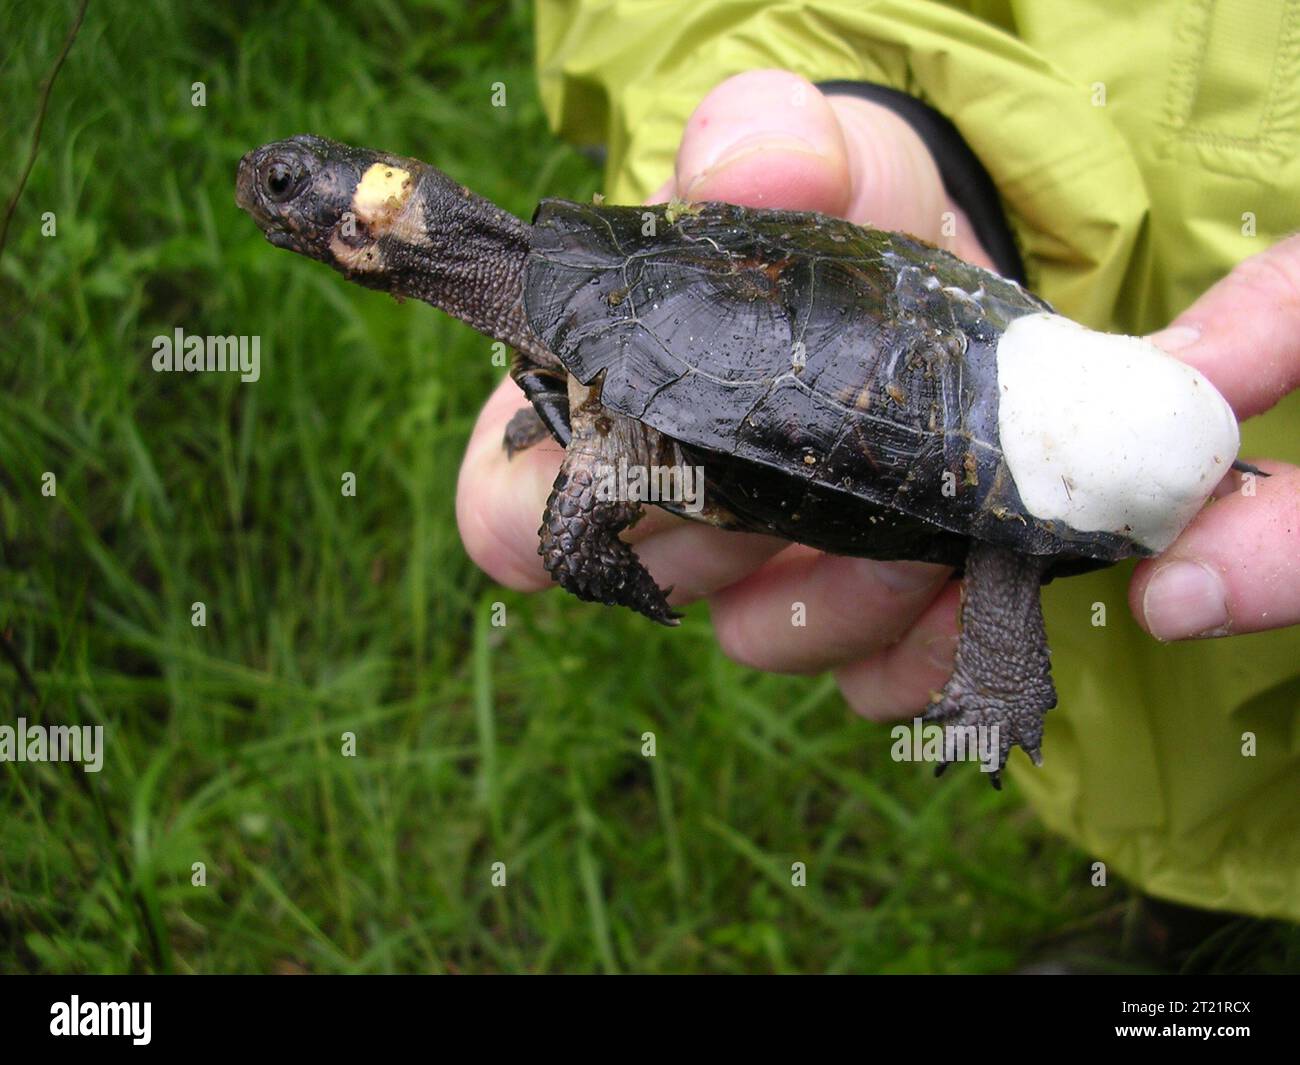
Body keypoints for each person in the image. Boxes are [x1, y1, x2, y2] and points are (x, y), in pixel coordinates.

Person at [456, 1, 1300, 926]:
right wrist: (921, 146)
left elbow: (584, 522)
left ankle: (1157, 864)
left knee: (998, 533)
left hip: (981, 439)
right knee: (1003, 547)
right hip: (994, 381)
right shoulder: (577, 315)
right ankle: (1177, 907)